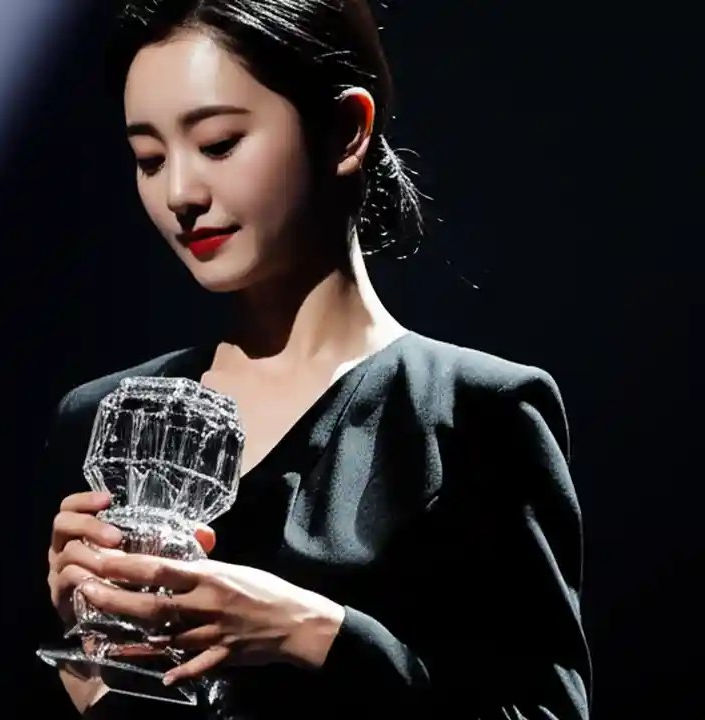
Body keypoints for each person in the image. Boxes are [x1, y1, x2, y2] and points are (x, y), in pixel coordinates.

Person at [33, 1, 592, 718]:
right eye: (149, 158)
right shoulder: (104, 420)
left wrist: (314, 632)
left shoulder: (473, 412)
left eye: (219, 142)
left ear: (346, 129)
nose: (180, 194)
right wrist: (82, 656)